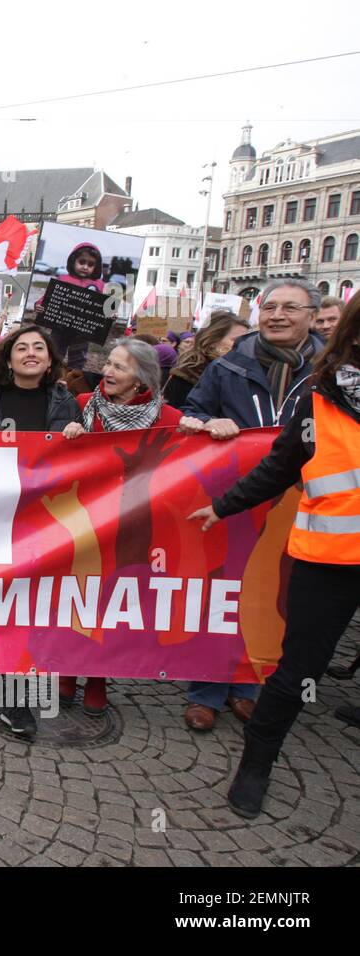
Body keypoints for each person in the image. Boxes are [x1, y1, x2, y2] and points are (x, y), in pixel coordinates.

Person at [188, 292, 360, 816]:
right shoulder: (323, 398)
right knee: (297, 671)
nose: (279, 316)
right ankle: (256, 764)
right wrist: (224, 506)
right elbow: (280, 467)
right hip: (330, 561)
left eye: (292, 307)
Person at [176, 278, 325, 731]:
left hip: (305, 499)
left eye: (291, 308)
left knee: (271, 594)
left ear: (313, 318)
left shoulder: (332, 373)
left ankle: (249, 684)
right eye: (271, 306)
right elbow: (190, 414)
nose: (278, 315)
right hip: (231, 498)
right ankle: (206, 691)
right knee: (219, 591)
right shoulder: (228, 367)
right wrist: (208, 421)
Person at [0, 325, 79, 737]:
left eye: (39, 348)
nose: (31, 354)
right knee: (5, 605)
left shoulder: (66, 402)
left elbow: (84, 465)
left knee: (34, 608)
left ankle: (24, 688)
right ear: (8, 357)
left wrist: (79, 438)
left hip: (47, 519)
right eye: (22, 348)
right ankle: (13, 700)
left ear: (49, 360)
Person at [59, 338, 183, 715]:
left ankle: (98, 677)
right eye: (109, 364)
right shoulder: (82, 408)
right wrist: (67, 434)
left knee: (111, 603)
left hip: (135, 525)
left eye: (120, 367)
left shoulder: (170, 418)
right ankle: (67, 670)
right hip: (85, 522)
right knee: (76, 597)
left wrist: (208, 428)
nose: (109, 372)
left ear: (141, 378)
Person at [161, 311, 250, 410]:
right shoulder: (187, 374)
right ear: (213, 340)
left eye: (247, 340)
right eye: (236, 340)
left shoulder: (244, 371)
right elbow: (177, 416)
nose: (244, 345)